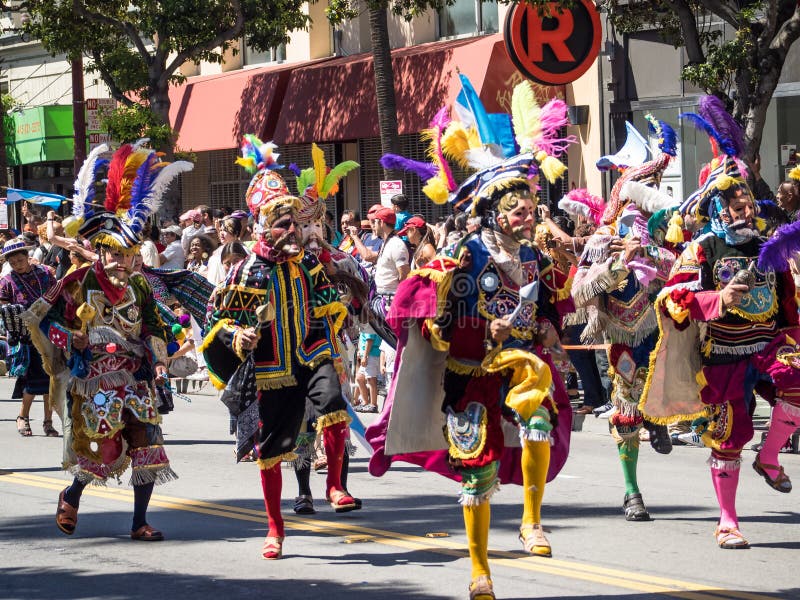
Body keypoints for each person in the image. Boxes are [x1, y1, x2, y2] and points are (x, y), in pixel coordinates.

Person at [24, 143, 189, 540]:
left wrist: (160, 358)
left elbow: (153, 326)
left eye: (129, 254)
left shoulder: (140, 286)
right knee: (104, 450)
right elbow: (43, 321)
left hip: (136, 378)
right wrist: (73, 340)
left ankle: (139, 522)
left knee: (148, 448)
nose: (122, 262)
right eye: (114, 254)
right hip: (93, 379)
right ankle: (73, 492)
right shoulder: (76, 282)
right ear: (99, 250)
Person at [202, 136, 356, 561]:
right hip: (272, 372)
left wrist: (333, 307)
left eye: (295, 223)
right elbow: (218, 323)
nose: (293, 232)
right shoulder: (247, 270)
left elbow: (328, 303)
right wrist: (239, 336)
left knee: (334, 403)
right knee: (271, 452)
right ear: (262, 229)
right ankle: (275, 528)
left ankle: (335, 485)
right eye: (283, 225)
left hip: (312, 354)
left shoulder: (308, 264)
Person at [571, 117, 680, 522]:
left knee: (668, 389)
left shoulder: (665, 233)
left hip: (662, 328)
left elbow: (684, 270)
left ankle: (658, 419)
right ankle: (632, 491)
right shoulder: (601, 239)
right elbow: (579, 290)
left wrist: (652, 255)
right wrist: (616, 264)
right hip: (623, 333)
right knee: (625, 406)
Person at [0, 238, 58, 437]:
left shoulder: (45, 275)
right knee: (33, 380)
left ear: (27, 256)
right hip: (25, 336)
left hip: (49, 331)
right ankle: (23, 417)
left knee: (51, 379)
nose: (17, 265)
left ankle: (48, 421)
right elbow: (3, 307)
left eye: (20, 260)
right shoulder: (7, 282)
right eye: (13, 262)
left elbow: (57, 296)